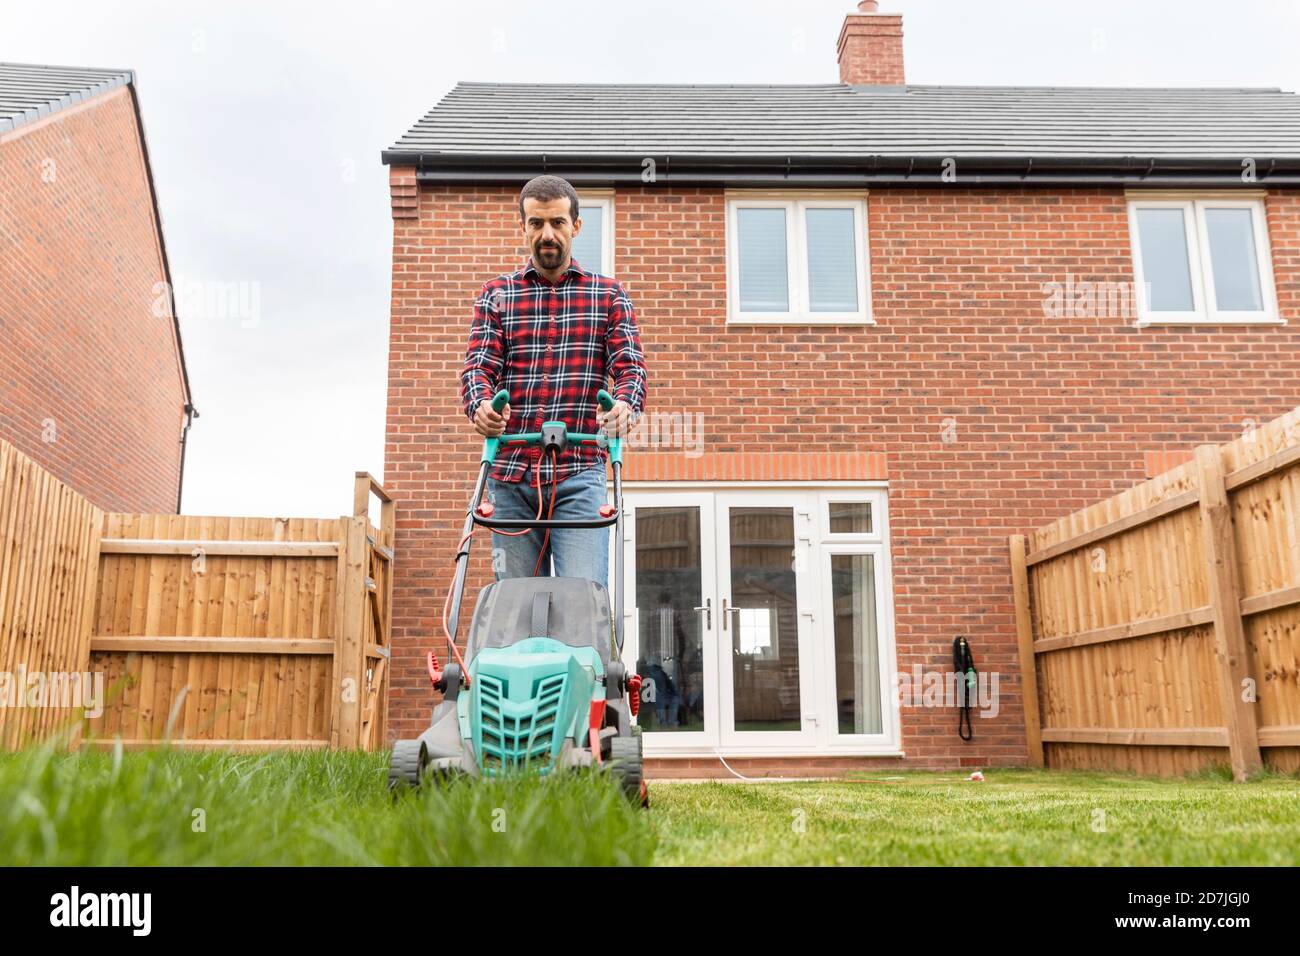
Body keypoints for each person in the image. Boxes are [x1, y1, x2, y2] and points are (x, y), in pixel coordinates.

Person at [461, 175, 647, 589]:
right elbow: (478, 368)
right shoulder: (496, 294)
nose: (547, 234)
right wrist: (482, 407)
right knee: (515, 603)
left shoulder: (608, 296)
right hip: (511, 476)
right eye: (537, 223)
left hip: (579, 474)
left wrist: (625, 407)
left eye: (558, 223)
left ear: (576, 226)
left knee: (584, 599)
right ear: (523, 227)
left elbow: (631, 368)